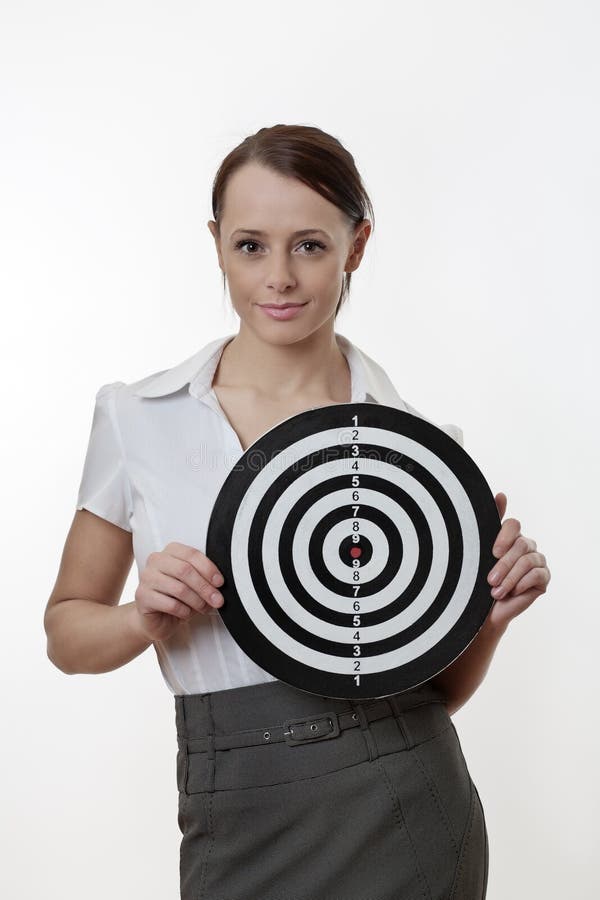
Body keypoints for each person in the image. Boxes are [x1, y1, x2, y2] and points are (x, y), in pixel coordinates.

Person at [44, 123, 551, 900]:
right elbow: (67, 634)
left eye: (309, 245)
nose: (278, 277)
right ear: (216, 244)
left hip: (405, 800)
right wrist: (140, 619)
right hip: (230, 799)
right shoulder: (138, 416)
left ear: (357, 245)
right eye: (251, 245)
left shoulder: (418, 452)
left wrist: (492, 615)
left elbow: (432, 693)